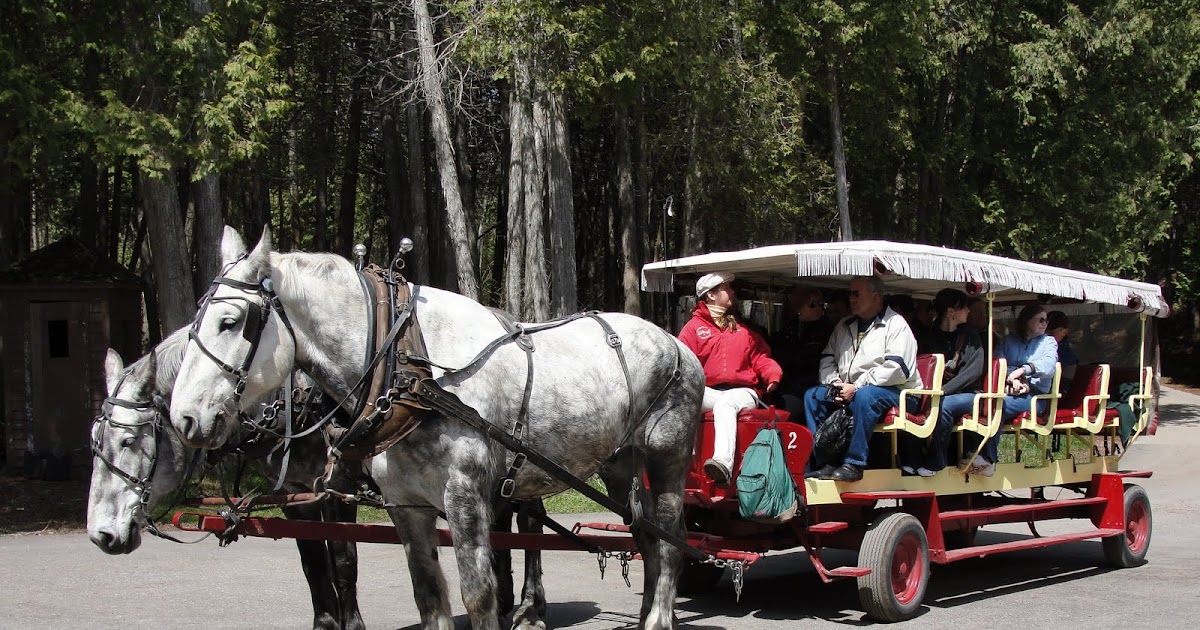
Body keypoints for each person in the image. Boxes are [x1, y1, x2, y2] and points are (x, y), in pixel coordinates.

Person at [802, 276, 923, 482]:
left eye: (856, 294)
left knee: (865, 397)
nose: (851, 299)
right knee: (813, 396)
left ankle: (855, 462)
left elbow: (897, 368)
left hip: (899, 392)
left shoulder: (895, 324)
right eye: (850, 294)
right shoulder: (844, 325)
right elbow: (827, 358)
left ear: (876, 296)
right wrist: (835, 385)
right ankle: (824, 462)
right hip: (854, 388)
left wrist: (855, 387)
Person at [678, 272, 782, 487]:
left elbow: (761, 358)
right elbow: (683, 363)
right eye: (727, 288)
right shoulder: (693, 329)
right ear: (711, 295)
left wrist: (772, 373)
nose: (732, 292)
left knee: (726, 404)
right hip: (711, 391)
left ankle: (722, 464)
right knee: (684, 399)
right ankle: (685, 463)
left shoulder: (743, 330)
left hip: (744, 391)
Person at [965, 304, 1058, 476]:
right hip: (1008, 389)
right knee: (979, 403)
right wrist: (1011, 378)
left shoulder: (1048, 342)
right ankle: (972, 453)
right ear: (1027, 321)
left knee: (999, 405)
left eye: (1047, 320)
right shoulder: (1009, 340)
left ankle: (989, 460)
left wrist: (1024, 371)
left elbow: (1049, 365)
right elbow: (998, 362)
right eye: (1041, 319)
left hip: (1036, 397)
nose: (1045, 323)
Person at [902, 289, 984, 476]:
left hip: (969, 394)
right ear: (951, 312)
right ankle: (911, 460)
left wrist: (944, 390)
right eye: (964, 307)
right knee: (910, 402)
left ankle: (936, 460)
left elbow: (973, 372)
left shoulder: (971, 337)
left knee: (943, 405)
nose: (968, 312)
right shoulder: (928, 337)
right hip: (934, 391)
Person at [769, 286, 834, 421]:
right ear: (799, 307)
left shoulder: (828, 329)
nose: (819, 308)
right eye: (813, 304)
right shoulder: (788, 330)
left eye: (822, 304)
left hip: (815, 384)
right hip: (788, 385)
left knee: (790, 408)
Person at [1047, 310, 1079, 388]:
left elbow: (1064, 385)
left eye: (1051, 333)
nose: (1046, 336)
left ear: (1064, 331)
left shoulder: (1068, 356)